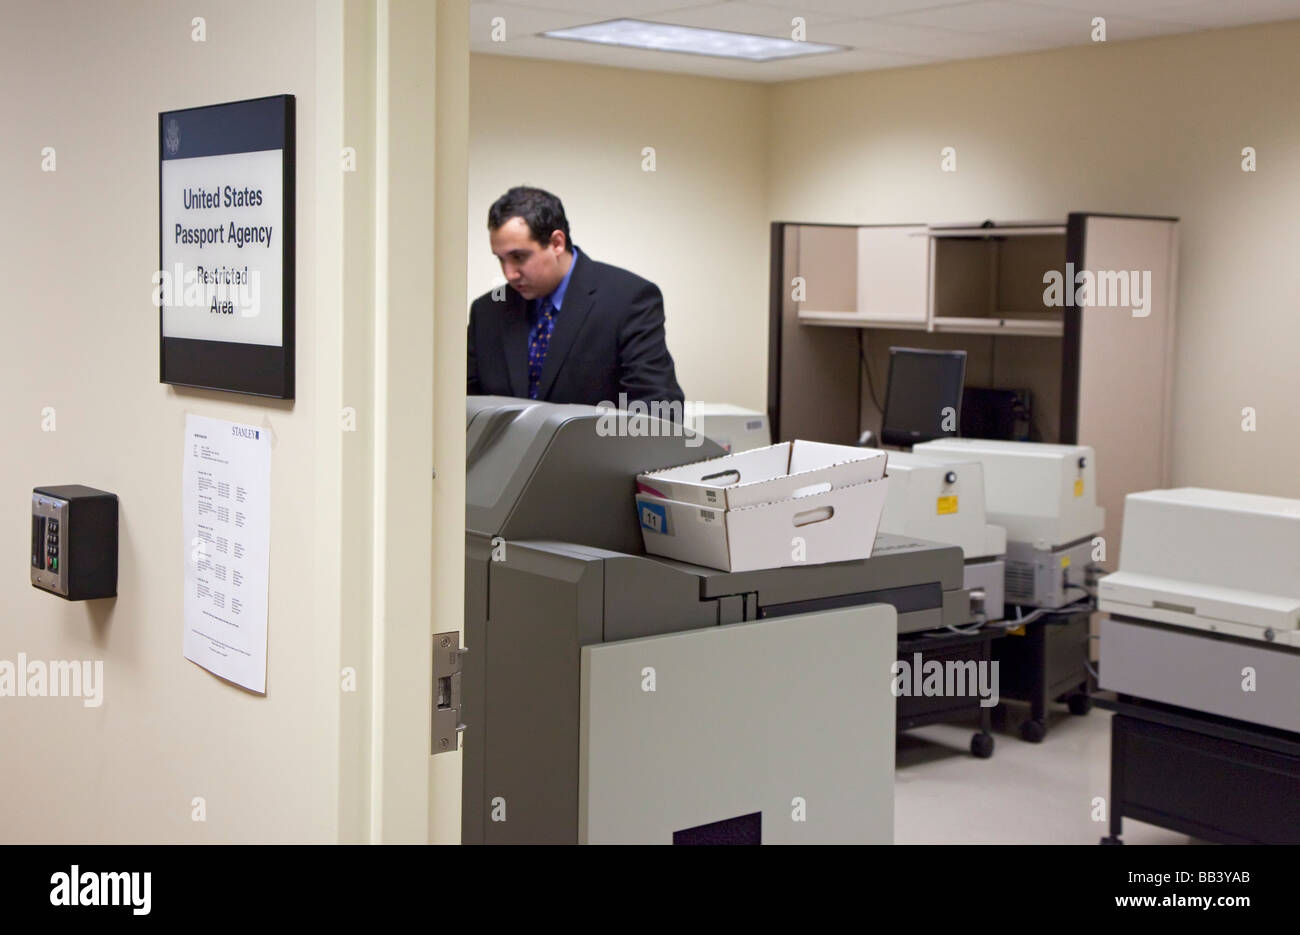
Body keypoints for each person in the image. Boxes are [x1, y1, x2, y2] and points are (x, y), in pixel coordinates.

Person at [466, 186, 684, 409]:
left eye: (519, 257)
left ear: (557, 243)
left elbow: (658, 410)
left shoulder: (629, 299)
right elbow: (464, 410)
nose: (509, 273)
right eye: (501, 259)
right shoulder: (487, 311)